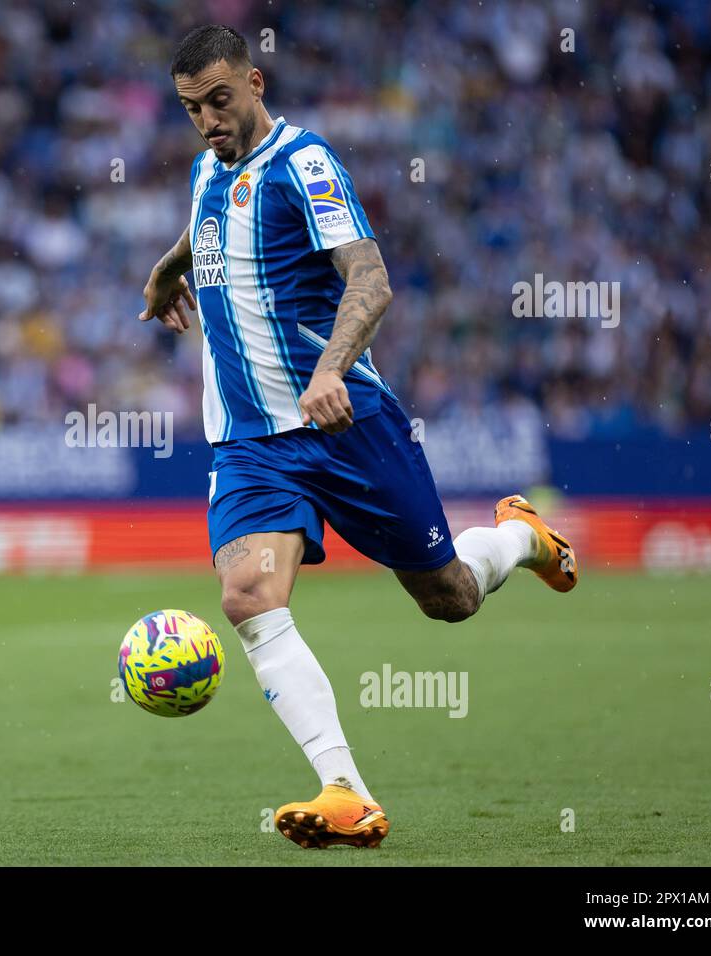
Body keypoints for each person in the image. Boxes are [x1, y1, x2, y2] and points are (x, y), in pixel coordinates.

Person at [139, 24, 577, 850]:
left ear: (256, 82)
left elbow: (369, 277)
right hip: (249, 445)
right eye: (192, 108)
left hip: (344, 422)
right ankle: (346, 791)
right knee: (246, 599)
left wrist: (332, 370)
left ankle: (519, 538)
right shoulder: (206, 168)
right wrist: (173, 266)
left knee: (447, 596)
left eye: (220, 101)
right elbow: (216, 237)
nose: (207, 121)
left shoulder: (306, 164)